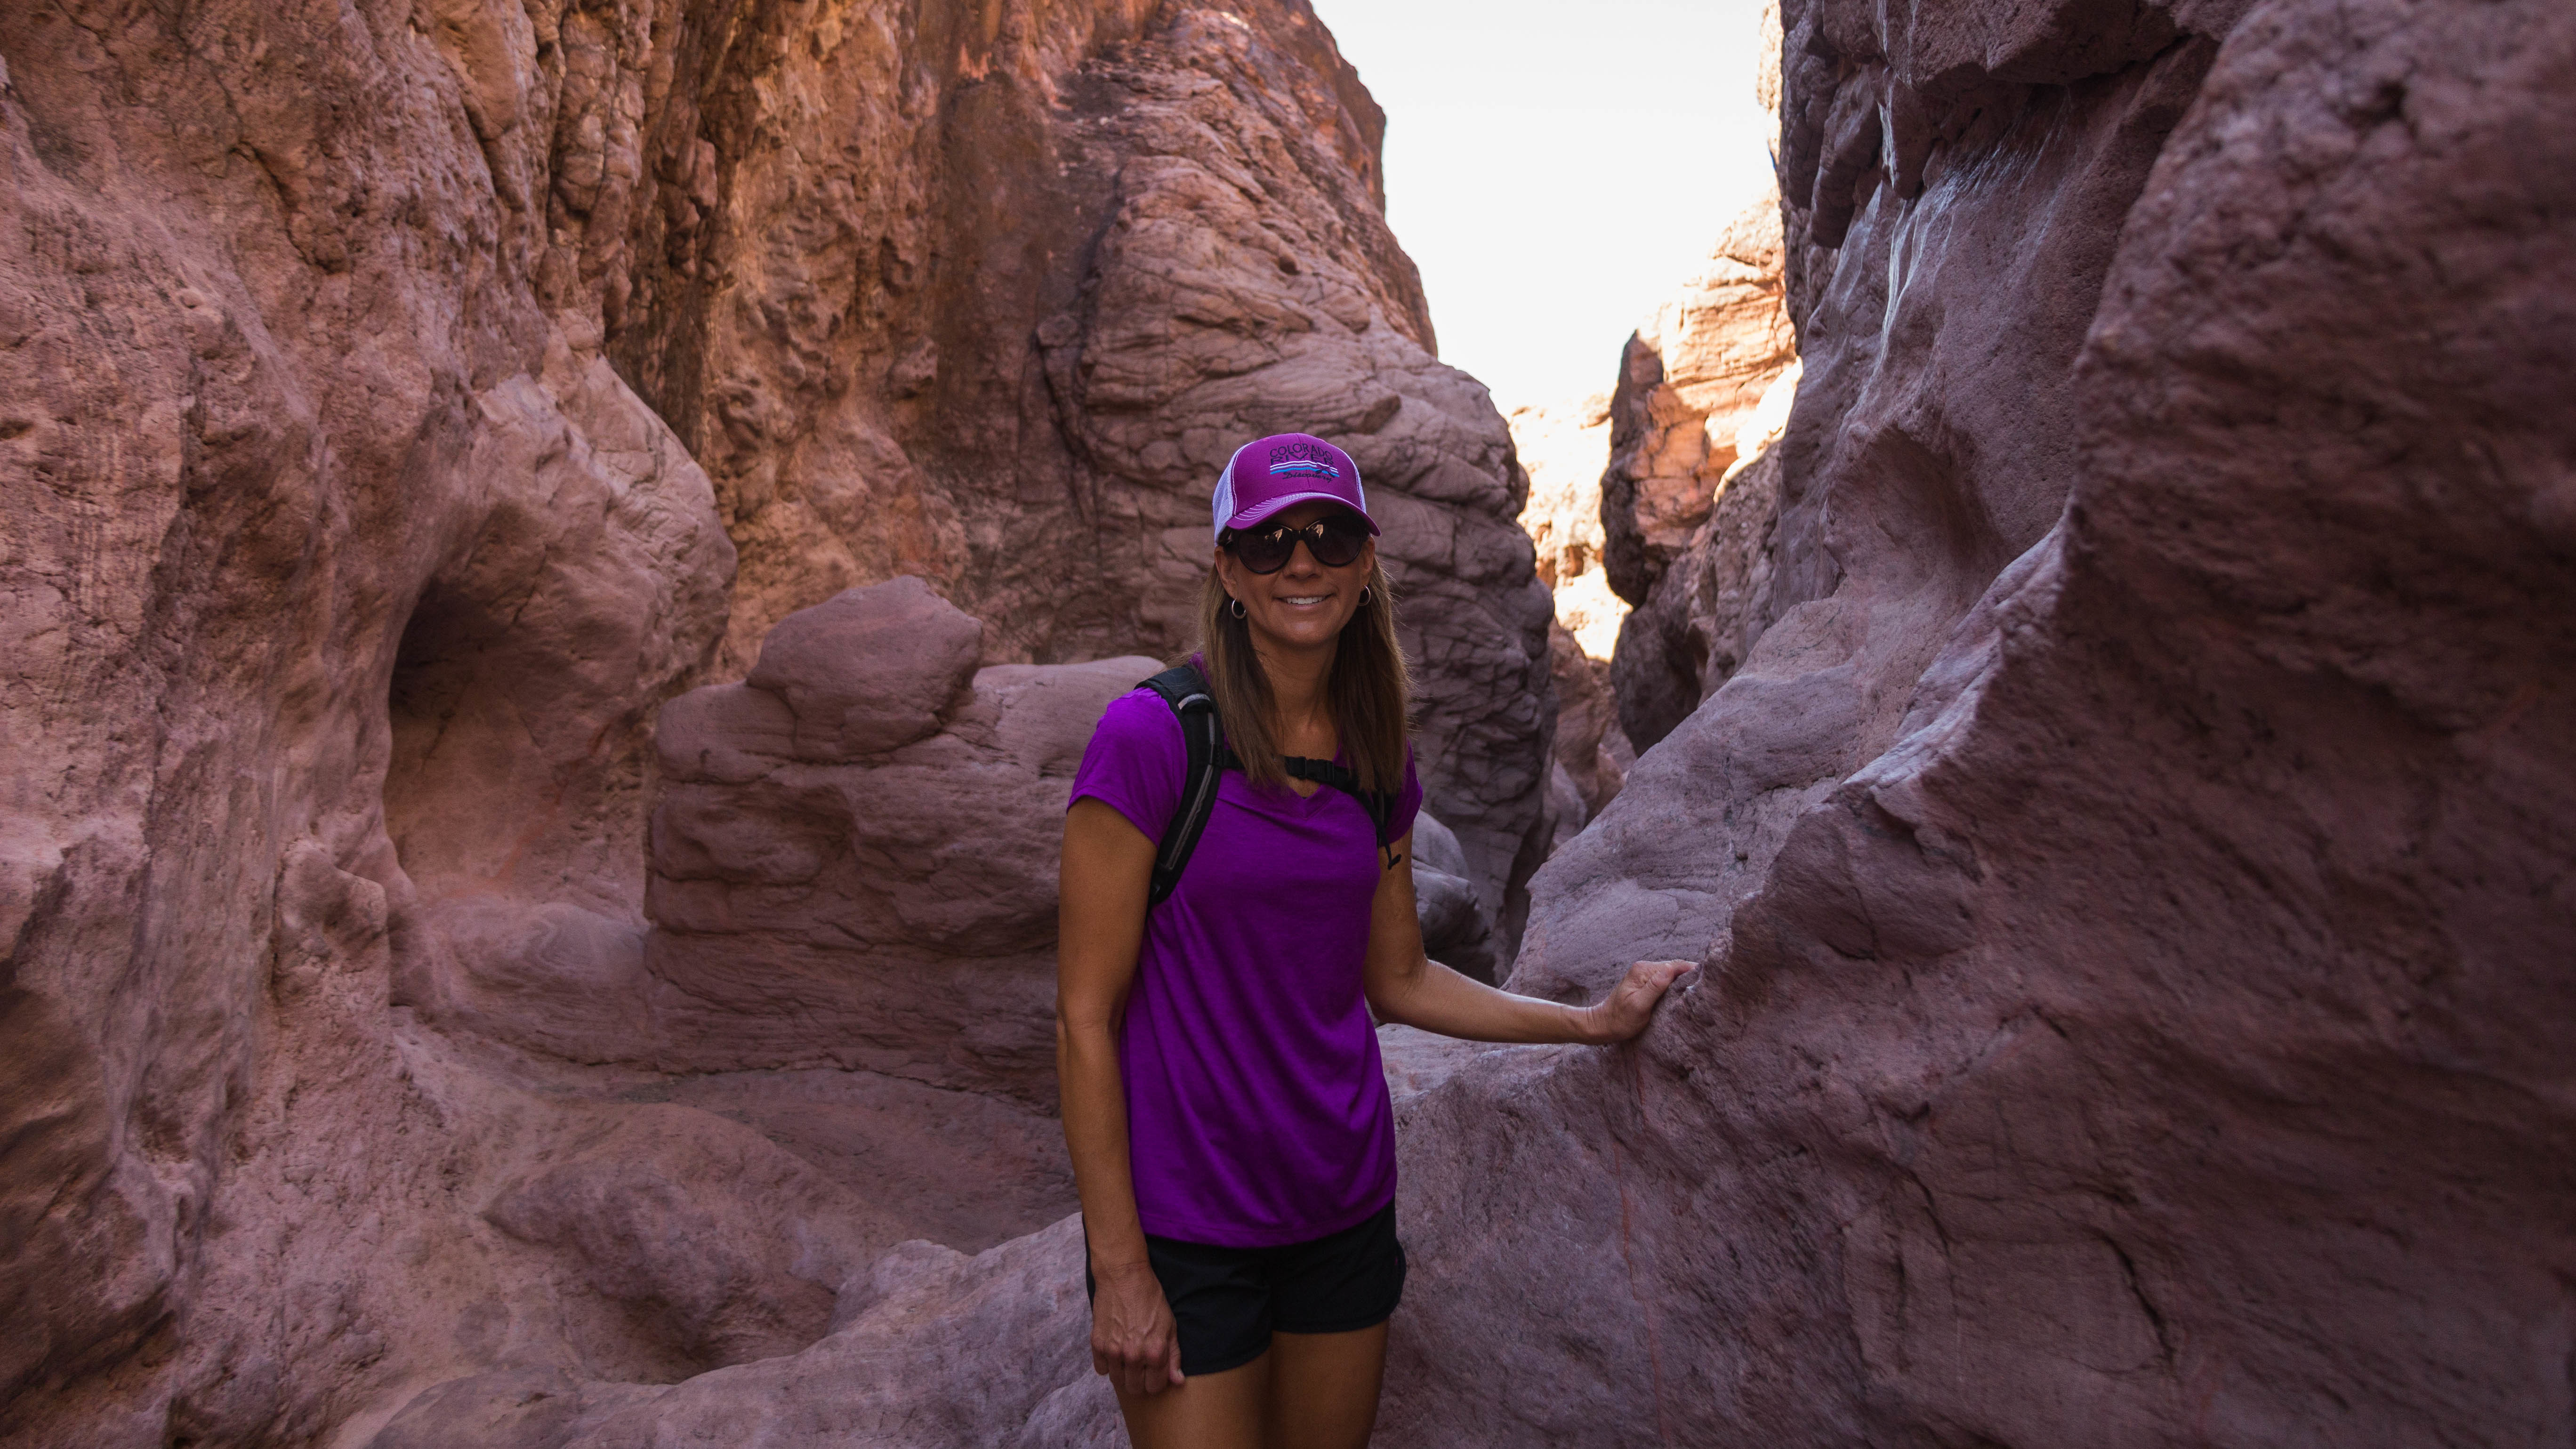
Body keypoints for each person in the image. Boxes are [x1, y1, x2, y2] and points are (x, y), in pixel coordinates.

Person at [1055, 431, 1691, 1449]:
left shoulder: (1374, 751)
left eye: (1330, 538)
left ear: (1363, 568)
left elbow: (1396, 978)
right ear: (1227, 567)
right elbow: (1086, 1018)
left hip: (1339, 1205)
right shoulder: (1152, 739)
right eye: (1268, 543)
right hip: (1189, 1225)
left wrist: (1589, 1023)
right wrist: (1122, 1267)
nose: (1300, 562)